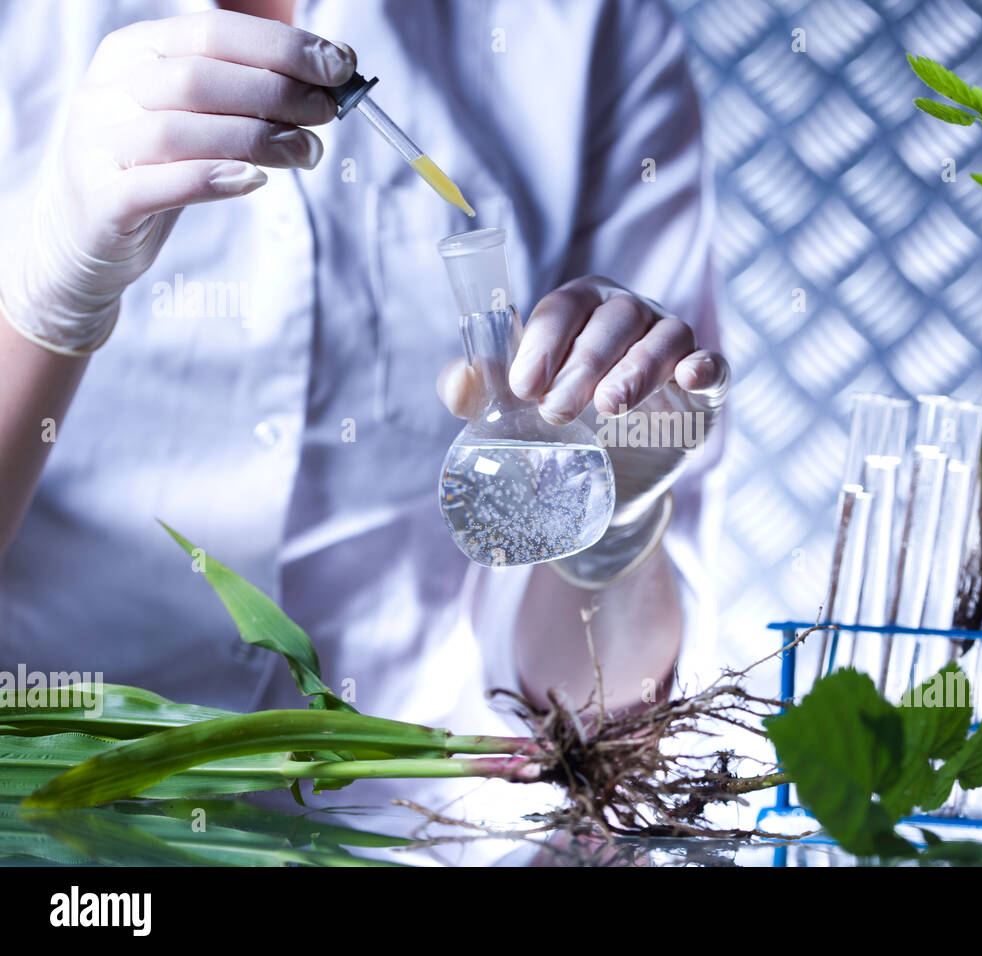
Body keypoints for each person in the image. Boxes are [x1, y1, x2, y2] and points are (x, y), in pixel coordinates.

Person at [0, 0, 726, 817]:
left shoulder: (585, 30)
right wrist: (44, 309)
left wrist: (610, 535)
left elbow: (602, 726)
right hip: (68, 833)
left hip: (417, 833)